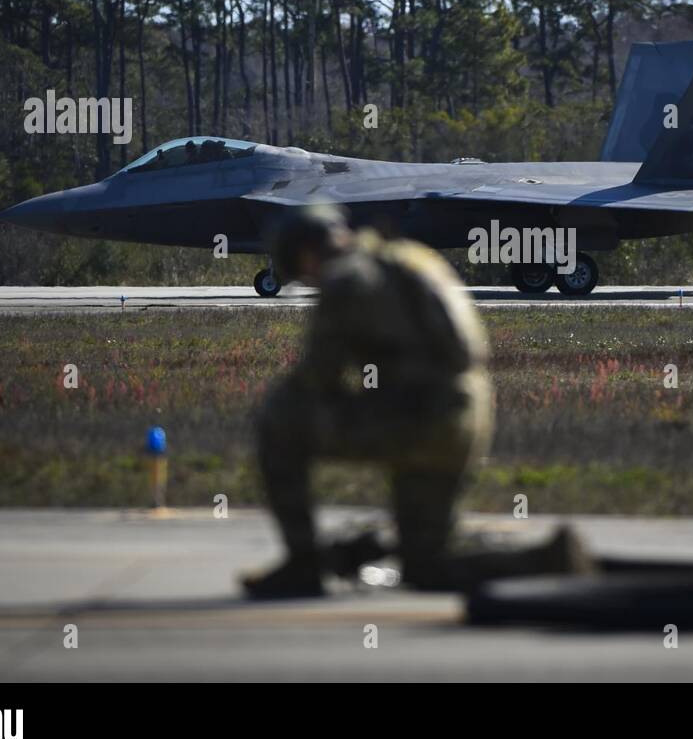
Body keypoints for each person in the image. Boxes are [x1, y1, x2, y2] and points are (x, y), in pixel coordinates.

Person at [243, 204, 590, 599]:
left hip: (420, 417)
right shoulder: (407, 255)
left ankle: (303, 565)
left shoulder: (345, 278)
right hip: (465, 418)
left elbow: (315, 379)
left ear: (305, 252)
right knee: (427, 563)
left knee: (280, 419)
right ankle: (547, 559)